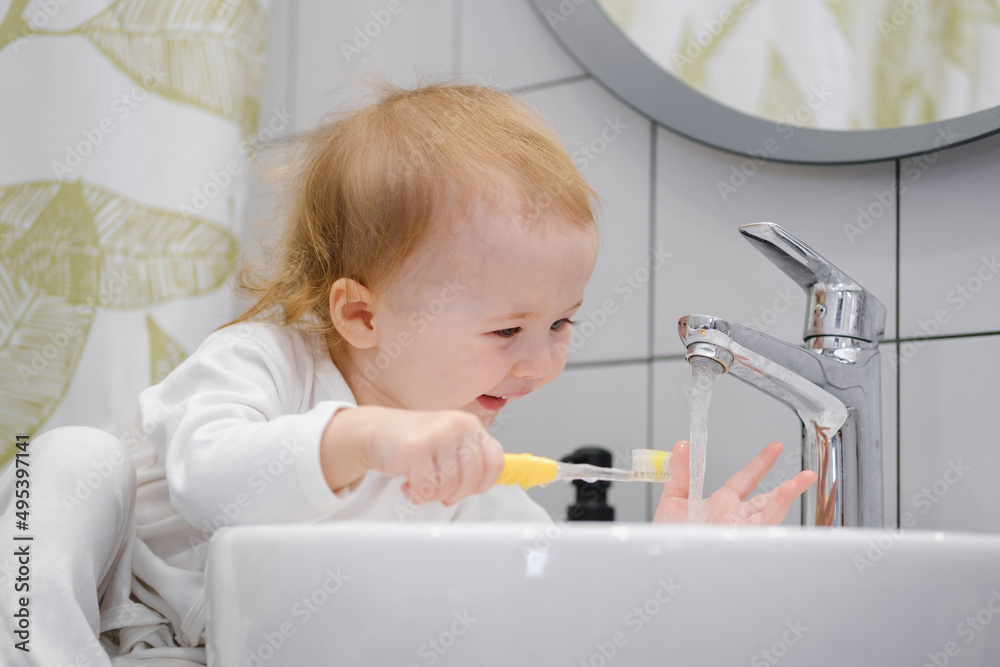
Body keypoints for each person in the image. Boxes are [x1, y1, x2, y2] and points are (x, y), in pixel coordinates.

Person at [0, 79, 816, 666]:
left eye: (562, 323)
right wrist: (367, 438)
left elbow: (550, 610)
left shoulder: (470, 478)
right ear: (362, 315)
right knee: (62, 459)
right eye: (506, 329)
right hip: (104, 613)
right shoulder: (265, 362)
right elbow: (212, 485)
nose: (541, 362)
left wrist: (666, 561)